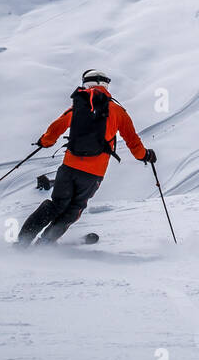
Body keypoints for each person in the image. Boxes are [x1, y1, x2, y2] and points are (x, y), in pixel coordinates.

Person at [16, 68, 155, 247]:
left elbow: (56, 127)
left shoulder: (79, 105)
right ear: (106, 84)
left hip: (69, 167)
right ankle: (46, 242)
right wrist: (147, 155)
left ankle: (23, 241)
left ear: (86, 83)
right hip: (93, 173)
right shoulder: (118, 111)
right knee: (75, 208)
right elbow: (133, 143)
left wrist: (45, 141)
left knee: (56, 204)